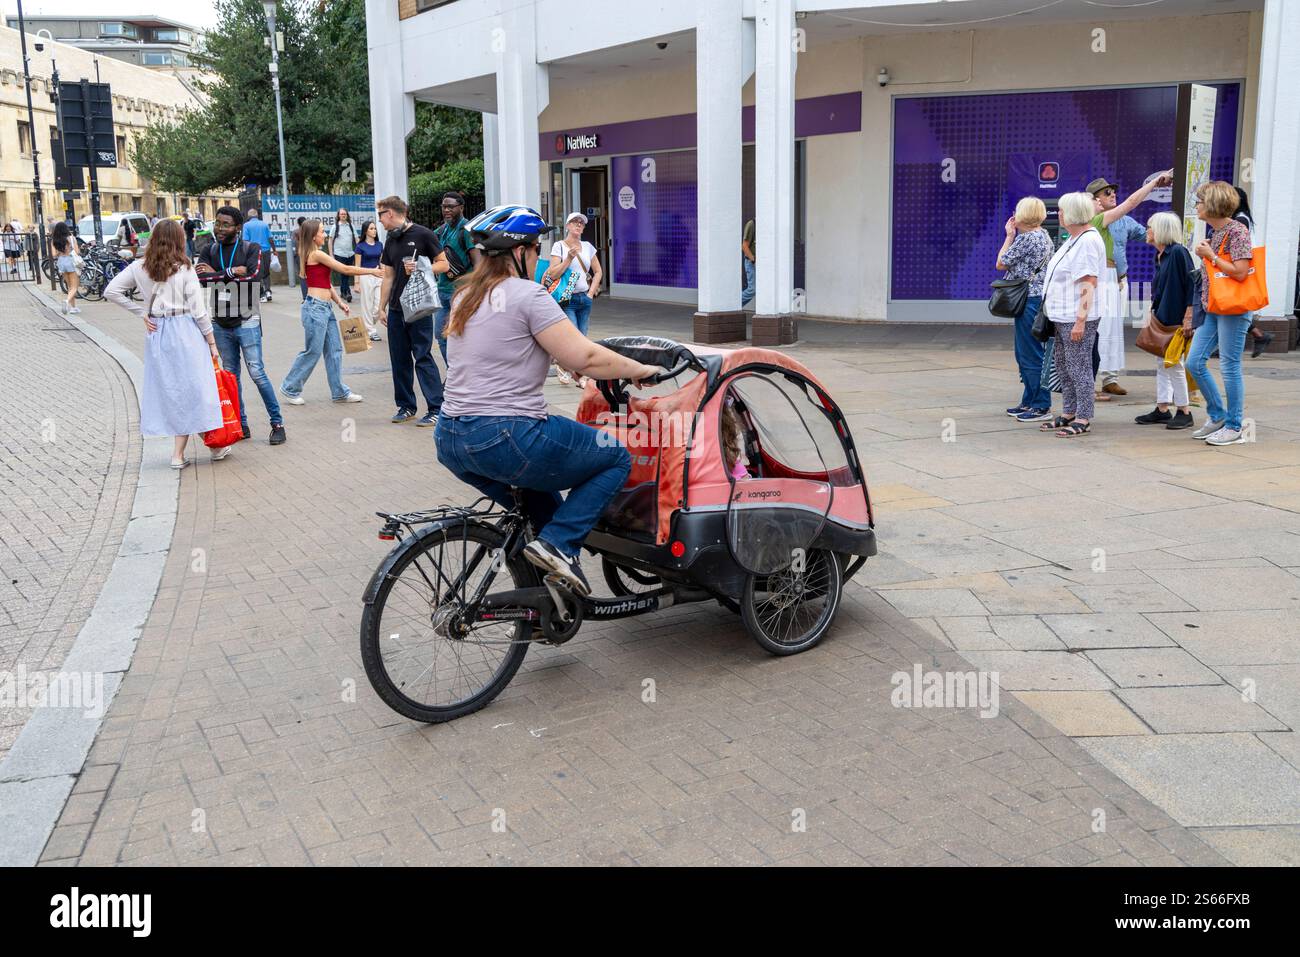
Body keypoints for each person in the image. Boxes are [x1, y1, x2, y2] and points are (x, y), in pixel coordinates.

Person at [434, 203, 660, 596]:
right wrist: (639, 368)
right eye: (536, 248)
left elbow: (505, 348)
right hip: (508, 434)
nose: (539, 257)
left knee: (543, 508)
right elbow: (586, 356)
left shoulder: (466, 295)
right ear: (520, 252)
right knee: (614, 456)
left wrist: (561, 359)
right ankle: (558, 546)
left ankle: (544, 604)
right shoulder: (527, 294)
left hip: (452, 437)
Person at [105, 220, 226, 469]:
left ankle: (213, 445)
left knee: (172, 390)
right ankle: (183, 453)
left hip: (158, 332)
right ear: (178, 239)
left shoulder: (140, 267)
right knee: (196, 388)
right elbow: (199, 310)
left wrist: (141, 312)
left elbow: (111, 291)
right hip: (185, 330)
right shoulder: (184, 268)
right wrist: (211, 341)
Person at [196, 205, 286, 446]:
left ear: (238, 228)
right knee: (231, 377)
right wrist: (229, 272)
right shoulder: (209, 249)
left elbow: (252, 276)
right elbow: (200, 278)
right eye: (217, 223)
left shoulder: (251, 248)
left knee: (257, 373)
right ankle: (240, 425)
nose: (219, 228)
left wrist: (217, 273)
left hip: (247, 320)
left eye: (225, 224)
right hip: (221, 323)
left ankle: (277, 423)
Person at [1082, 173, 1172, 399]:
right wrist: (1152, 184)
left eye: (1113, 191)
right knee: (1096, 330)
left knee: (1112, 329)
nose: (1113, 195)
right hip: (1099, 281)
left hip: (1117, 281)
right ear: (1095, 200)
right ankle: (1089, 381)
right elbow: (1131, 202)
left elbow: (1147, 236)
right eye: (1107, 192)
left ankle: (1110, 378)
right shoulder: (1093, 220)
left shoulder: (1123, 221)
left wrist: (1172, 238)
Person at [279, 218, 380, 406]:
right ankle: (290, 387)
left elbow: (325, 283)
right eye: (322, 232)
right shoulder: (316, 254)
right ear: (313, 235)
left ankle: (339, 391)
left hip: (324, 307)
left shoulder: (316, 253)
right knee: (313, 351)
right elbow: (345, 268)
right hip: (315, 308)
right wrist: (371, 271)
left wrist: (340, 302)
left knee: (334, 350)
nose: (325, 235)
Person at [1187, 181, 1258, 447]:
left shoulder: (1237, 231)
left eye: (1200, 201)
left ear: (1213, 204)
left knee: (1229, 366)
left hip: (1234, 308)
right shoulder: (1217, 232)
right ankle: (1217, 415)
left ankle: (1234, 425)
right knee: (1194, 362)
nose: (1197, 206)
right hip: (1215, 307)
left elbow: (1240, 271)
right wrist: (1209, 253)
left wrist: (1211, 256)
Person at [376, 195, 449, 427]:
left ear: (390, 213)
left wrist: (421, 266)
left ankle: (436, 408)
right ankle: (406, 406)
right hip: (397, 309)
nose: (380, 221)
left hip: (419, 307)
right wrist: (381, 307)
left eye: (380, 216)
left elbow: (444, 264)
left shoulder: (424, 234)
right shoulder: (390, 239)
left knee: (423, 356)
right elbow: (388, 276)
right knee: (399, 359)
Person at [1038, 192, 1106, 438]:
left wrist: (1080, 320)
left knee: (1079, 367)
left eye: (1063, 210)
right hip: (1062, 315)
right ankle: (1069, 411)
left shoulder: (1087, 241)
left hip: (1075, 316)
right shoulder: (1075, 238)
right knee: (1065, 366)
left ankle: (1083, 417)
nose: (1060, 215)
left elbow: (1089, 282)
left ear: (1075, 214)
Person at [1134, 211, 1195, 430]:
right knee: (1162, 363)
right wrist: (1151, 313)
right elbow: (1160, 290)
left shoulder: (1178, 252)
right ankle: (1162, 408)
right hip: (1162, 317)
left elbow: (1192, 285)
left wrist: (1189, 317)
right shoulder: (1161, 256)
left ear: (1160, 230)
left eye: (1150, 227)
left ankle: (1184, 411)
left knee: (1174, 364)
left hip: (1176, 319)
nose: (1146, 231)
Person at [996, 196, 1054, 422]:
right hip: (1036, 298)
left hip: (1027, 299)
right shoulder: (1044, 235)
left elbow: (1001, 262)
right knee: (1029, 350)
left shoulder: (1025, 239)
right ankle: (1029, 400)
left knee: (1029, 352)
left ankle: (1040, 404)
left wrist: (1009, 236)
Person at [546, 212, 603, 386]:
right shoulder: (559, 246)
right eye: (575, 222)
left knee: (583, 338)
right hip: (567, 299)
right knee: (573, 338)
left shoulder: (587, 246)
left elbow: (598, 271)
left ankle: (571, 368)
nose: (579, 225)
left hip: (584, 299)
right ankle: (572, 370)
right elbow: (553, 273)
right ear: (568, 226)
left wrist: (591, 293)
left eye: (581, 223)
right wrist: (569, 258)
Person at [433, 191, 479, 364]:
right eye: (444, 207)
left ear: (461, 207)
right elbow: (427, 240)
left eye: (451, 207)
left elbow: (478, 263)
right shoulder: (443, 230)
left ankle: (464, 374)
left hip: (461, 292)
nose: (446, 210)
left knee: (461, 335)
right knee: (440, 335)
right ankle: (453, 373)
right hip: (442, 291)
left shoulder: (466, 230)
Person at [1233, 188, 1274, 358]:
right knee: (1235, 307)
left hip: (1240, 267)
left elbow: (1237, 246)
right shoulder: (1243, 217)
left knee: (1235, 306)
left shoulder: (1240, 219)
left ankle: (1257, 336)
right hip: (1241, 266)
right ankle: (1259, 335)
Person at [354, 220, 385, 342]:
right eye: (371, 228)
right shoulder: (360, 246)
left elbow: (382, 262)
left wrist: (384, 275)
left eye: (375, 228)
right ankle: (371, 331)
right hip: (365, 276)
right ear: (366, 231)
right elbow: (357, 266)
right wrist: (356, 283)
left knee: (379, 306)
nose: (374, 231)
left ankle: (366, 326)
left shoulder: (379, 244)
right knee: (367, 305)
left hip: (378, 275)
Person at [241, 209, 276, 303]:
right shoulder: (264, 224)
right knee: (266, 272)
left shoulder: (246, 225)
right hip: (266, 251)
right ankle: (268, 291)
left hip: (254, 252)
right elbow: (270, 238)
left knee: (256, 273)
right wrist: (274, 250)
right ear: (257, 216)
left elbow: (245, 241)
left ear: (249, 216)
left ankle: (262, 294)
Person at [51, 221, 80, 315]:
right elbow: (77, 251)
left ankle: (73, 308)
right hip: (71, 261)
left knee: (69, 286)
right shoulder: (71, 238)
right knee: (75, 286)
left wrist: (61, 251)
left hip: (61, 262)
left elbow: (54, 254)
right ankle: (67, 301)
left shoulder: (54, 241)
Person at [329, 208, 358, 303]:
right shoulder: (335, 227)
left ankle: (342, 292)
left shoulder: (351, 226)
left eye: (345, 214)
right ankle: (347, 293)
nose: (343, 215)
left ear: (347, 215)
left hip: (350, 254)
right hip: (339, 254)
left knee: (347, 274)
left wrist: (360, 250)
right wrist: (331, 255)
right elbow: (330, 241)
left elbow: (357, 238)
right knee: (343, 273)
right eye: (341, 214)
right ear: (338, 216)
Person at [288, 216, 308, 301]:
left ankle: (305, 297)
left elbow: (293, 244)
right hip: (309, 254)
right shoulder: (309, 232)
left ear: (298, 223)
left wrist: (294, 255)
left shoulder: (295, 232)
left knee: (302, 275)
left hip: (299, 256)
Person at [741, 218, 756, 306]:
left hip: (763, 264)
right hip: (752, 263)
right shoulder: (751, 224)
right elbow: (744, 246)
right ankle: (732, 306)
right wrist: (753, 260)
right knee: (752, 290)